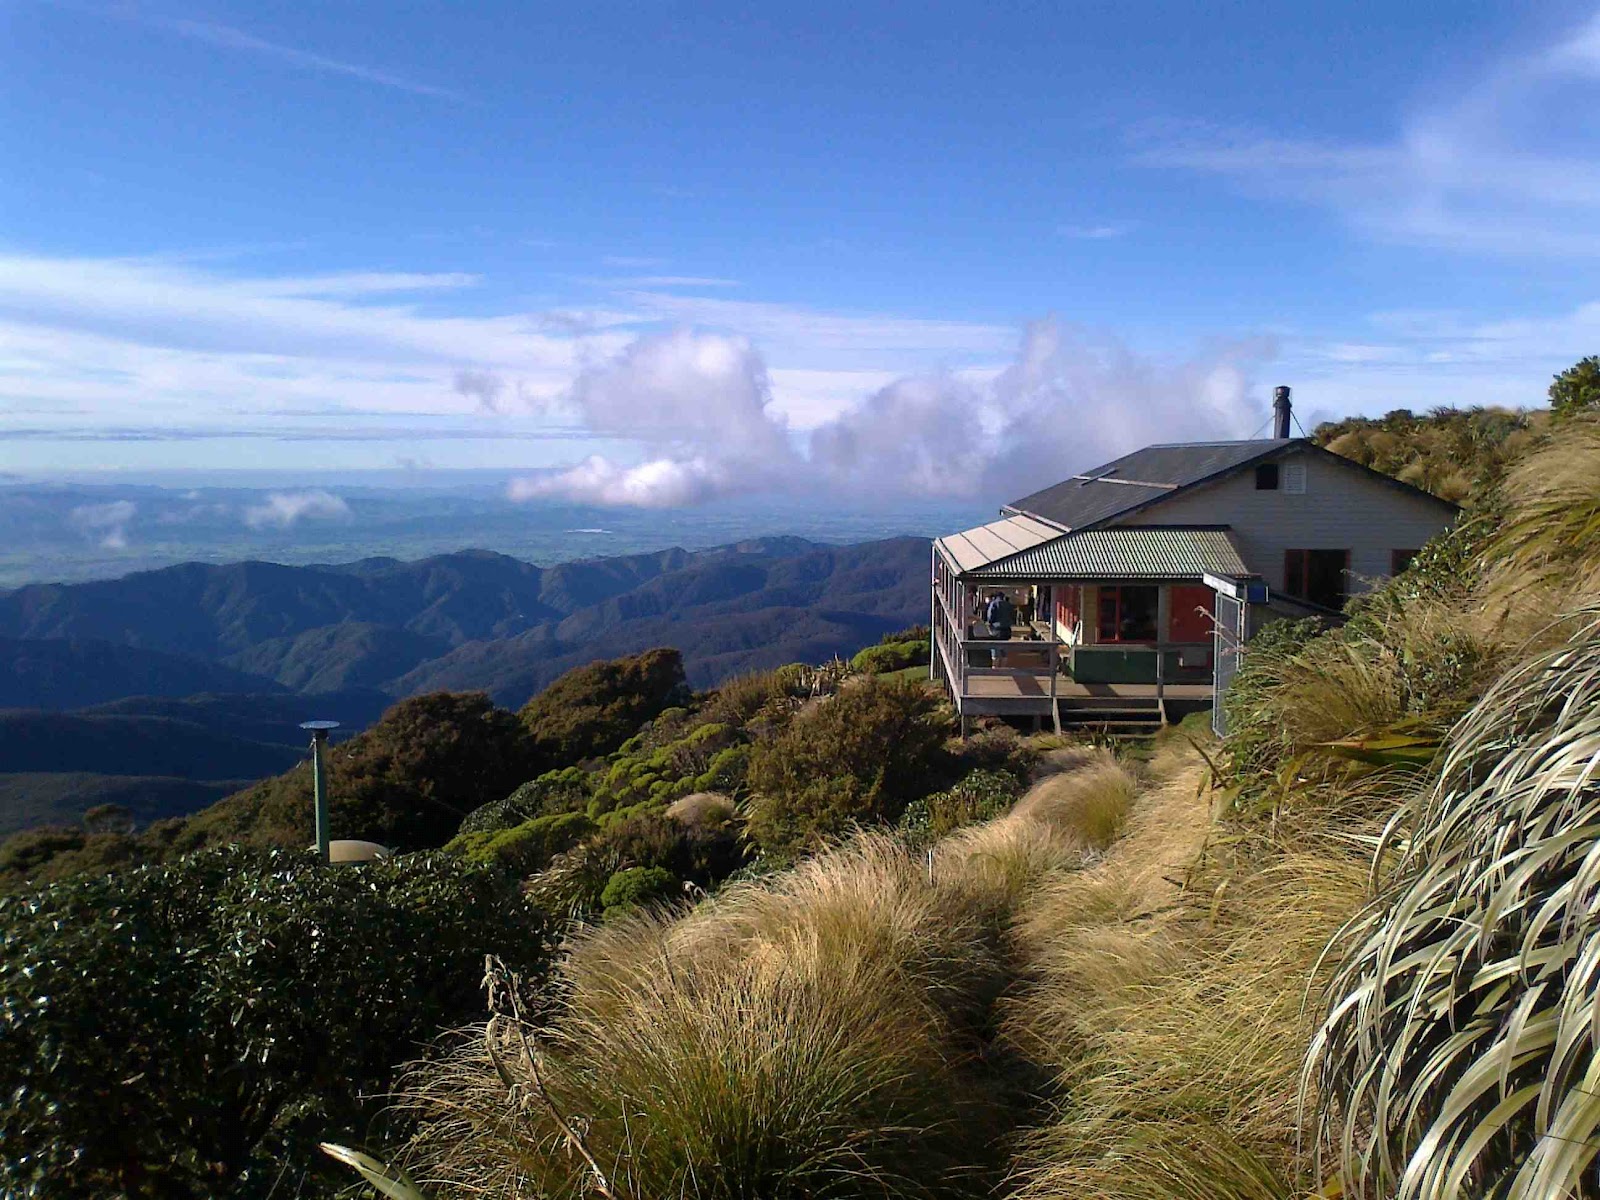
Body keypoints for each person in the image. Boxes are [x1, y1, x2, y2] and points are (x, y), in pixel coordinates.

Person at [985, 591, 1014, 666]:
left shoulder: (994, 603)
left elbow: (990, 616)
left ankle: (995, 669)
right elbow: (1012, 616)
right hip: (1007, 628)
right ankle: (1003, 668)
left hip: (996, 628)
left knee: (995, 649)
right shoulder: (1008, 604)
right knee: (1004, 649)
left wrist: (990, 623)